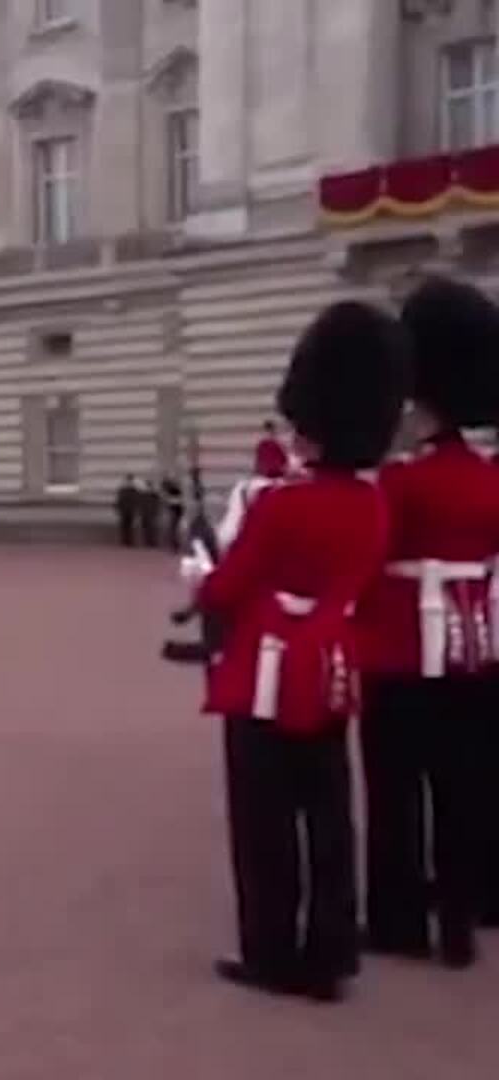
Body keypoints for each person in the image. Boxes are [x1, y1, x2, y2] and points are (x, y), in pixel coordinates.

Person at [183, 300, 409, 1003]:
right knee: (331, 810)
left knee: (265, 819)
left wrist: (196, 574)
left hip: (267, 673)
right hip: (333, 669)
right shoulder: (373, 505)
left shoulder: (282, 504)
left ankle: (273, 950)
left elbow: (227, 588)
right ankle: (331, 950)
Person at [350, 277, 499, 969]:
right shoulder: (488, 477)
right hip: (476, 649)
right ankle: (462, 919)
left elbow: (370, 561)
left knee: (396, 794)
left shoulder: (401, 484)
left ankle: (399, 918)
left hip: (402, 651)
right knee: (466, 786)